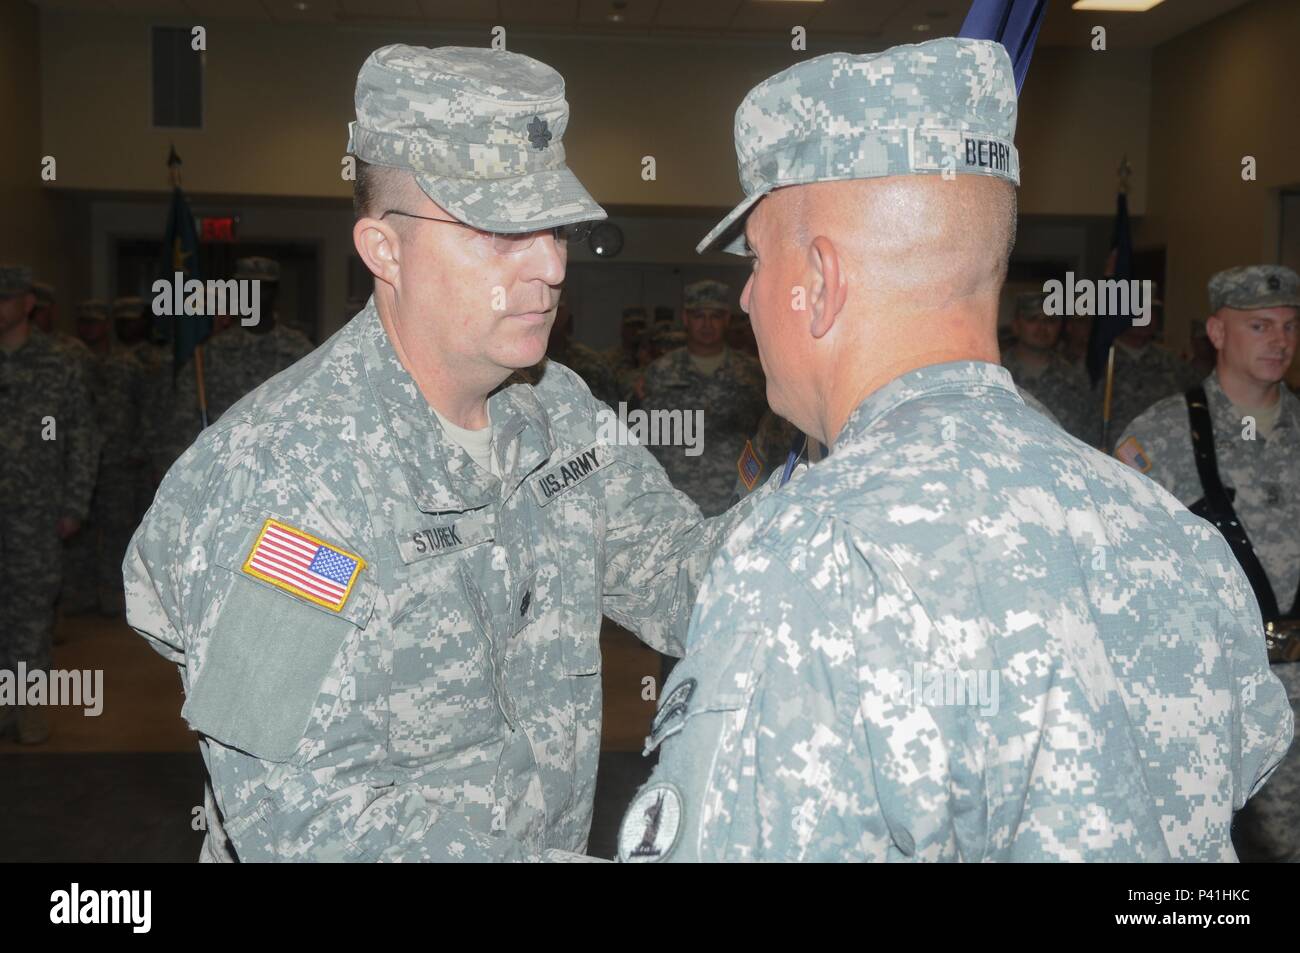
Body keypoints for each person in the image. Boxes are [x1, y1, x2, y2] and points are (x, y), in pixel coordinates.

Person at [616, 38, 1291, 863]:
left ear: (821, 281)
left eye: (757, 260)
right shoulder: (1173, 534)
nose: (750, 295)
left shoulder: (811, 555)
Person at [124, 44, 758, 862]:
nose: (552, 265)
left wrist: (857, 482)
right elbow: (305, 821)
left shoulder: (556, 410)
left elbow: (684, 578)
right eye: (500, 231)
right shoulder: (283, 475)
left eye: (556, 229)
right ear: (384, 251)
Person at [1117, 264, 1300, 862]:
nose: (1280, 340)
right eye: (1260, 325)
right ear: (1217, 333)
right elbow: (1121, 572)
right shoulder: (1162, 434)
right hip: (1213, 694)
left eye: (1290, 326)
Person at [0, 265, 98, 744]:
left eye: (6, 298)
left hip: (35, 509)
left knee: (31, 609)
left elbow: (80, 433)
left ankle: (27, 705)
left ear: (27, 304)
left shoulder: (59, 360)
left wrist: (74, 502)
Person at [639, 280, 767, 516]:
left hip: (737, 504)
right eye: (699, 315)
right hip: (676, 504)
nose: (707, 324)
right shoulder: (660, 372)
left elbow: (766, 440)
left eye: (716, 316)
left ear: (727, 319)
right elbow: (646, 439)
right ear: (686, 319)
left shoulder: (753, 374)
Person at [1099, 290, 1200, 449]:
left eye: (1151, 312)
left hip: (1166, 453)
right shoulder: (1101, 362)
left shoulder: (1172, 362)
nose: (1146, 317)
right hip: (1113, 457)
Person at [1002, 291, 1097, 444]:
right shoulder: (997, 373)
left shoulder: (1074, 375)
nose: (1042, 327)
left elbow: (1089, 431)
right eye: (1032, 319)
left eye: (1050, 320)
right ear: (1016, 325)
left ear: (1061, 327)